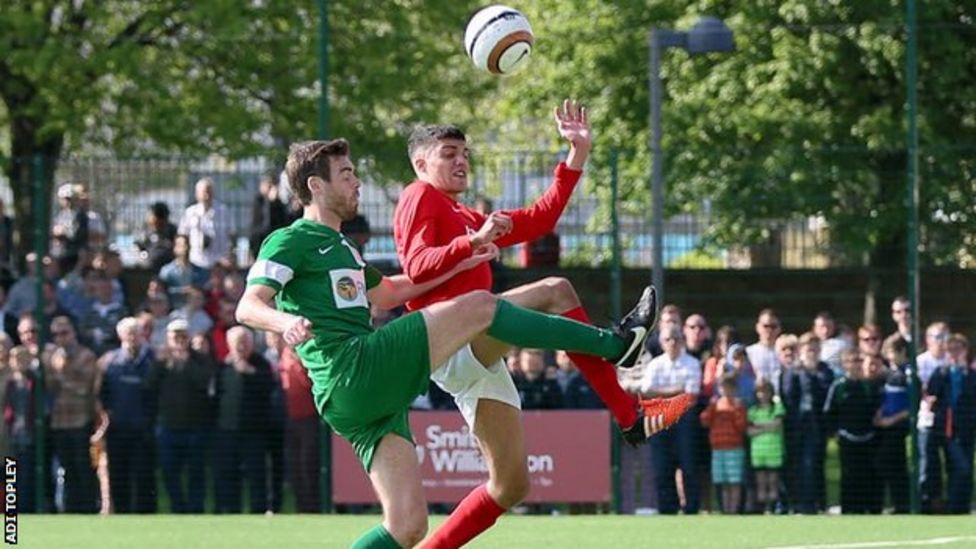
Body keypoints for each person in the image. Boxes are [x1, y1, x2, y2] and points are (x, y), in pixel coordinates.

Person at [236, 138, 660, 548]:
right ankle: (615, 344)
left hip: (363, 401)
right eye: (346, 174)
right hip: (354, 366)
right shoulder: (290, 239)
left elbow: (390, 294)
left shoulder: (345, 247)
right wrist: (283, 320)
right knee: (479, 305)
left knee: (407, 527)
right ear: (316, 185)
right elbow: (248, 306)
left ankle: (623, 382)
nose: (356, 182)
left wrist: (464, 257)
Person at [392, 103, 691, 544]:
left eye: (465, 153)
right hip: (448, 341)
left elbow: (541, 219)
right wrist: (471, 244)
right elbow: (416, 267)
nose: (461, 161)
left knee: (510, 486)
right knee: (556, 290)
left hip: (474, 355)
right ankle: (625, 387)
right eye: (448, 153)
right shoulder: (420, 195)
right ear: (421, 164)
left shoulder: (467, 216)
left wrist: (578, 154)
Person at [98, 317, 157, 514]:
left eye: (136, 332)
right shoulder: (109, 362)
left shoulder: (153, 361)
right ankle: (122, 514)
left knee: (145, 476)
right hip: (118, 429)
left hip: (144, 429)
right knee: (119, 476)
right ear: (120, 335)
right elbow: (101, 394)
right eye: (129, 333)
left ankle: (147, 517)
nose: (133, 337)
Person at [700, 373, 747, 514]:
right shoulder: (715, 405)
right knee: (723, 482)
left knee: (734, 482)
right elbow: (704, 421)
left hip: (734, 448)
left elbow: (742, 426)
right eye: (723, 387)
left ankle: (734, 510)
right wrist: (712, 408)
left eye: (729, 387)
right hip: (718, 448)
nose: (726, 391)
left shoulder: (739, 405)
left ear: (734, 389)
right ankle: (725, 510)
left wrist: (735, 411)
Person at [178, 177, 234, 271]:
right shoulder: (190, 212)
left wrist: (231, 255)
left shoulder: (223, 211)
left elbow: (232, 234)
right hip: (196, 261)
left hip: (219, 262)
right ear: (197, 194)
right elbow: (182, 235)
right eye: (204, 192)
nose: (207, 196)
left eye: (209, 192)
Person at [747, 379, 785, 514]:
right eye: (759, 392)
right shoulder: (753, 410)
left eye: (765, 391)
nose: (762, 395)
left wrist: (760, 426)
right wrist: (768, 426)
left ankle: (773, 507)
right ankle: (763, 509)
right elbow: (749, 431)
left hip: (773, 451)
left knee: (773, 481)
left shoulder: (777, 407)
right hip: (758, 452)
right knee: (761, 482)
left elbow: (778, 424)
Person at [136, 201, 179, 271]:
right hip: (148, 268)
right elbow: (138, 247)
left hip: (168, 269)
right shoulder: (145, 230)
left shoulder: (172, 231)